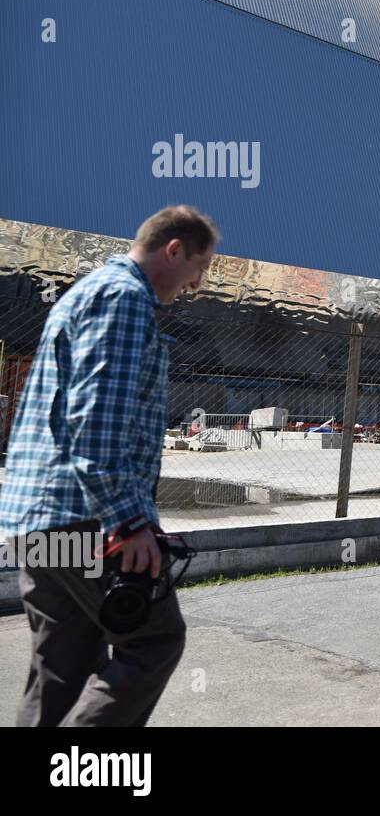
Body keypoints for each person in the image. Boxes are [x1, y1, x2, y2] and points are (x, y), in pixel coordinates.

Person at [0, 205, 217, 726]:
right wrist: (129, 522)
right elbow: (95, 421)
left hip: (40, 524)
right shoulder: (124, 298)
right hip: (86, 521)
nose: (199, 283)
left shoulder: (90, 291)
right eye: (201, 266)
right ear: (173, 249)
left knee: (61, 665)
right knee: (155, 640)